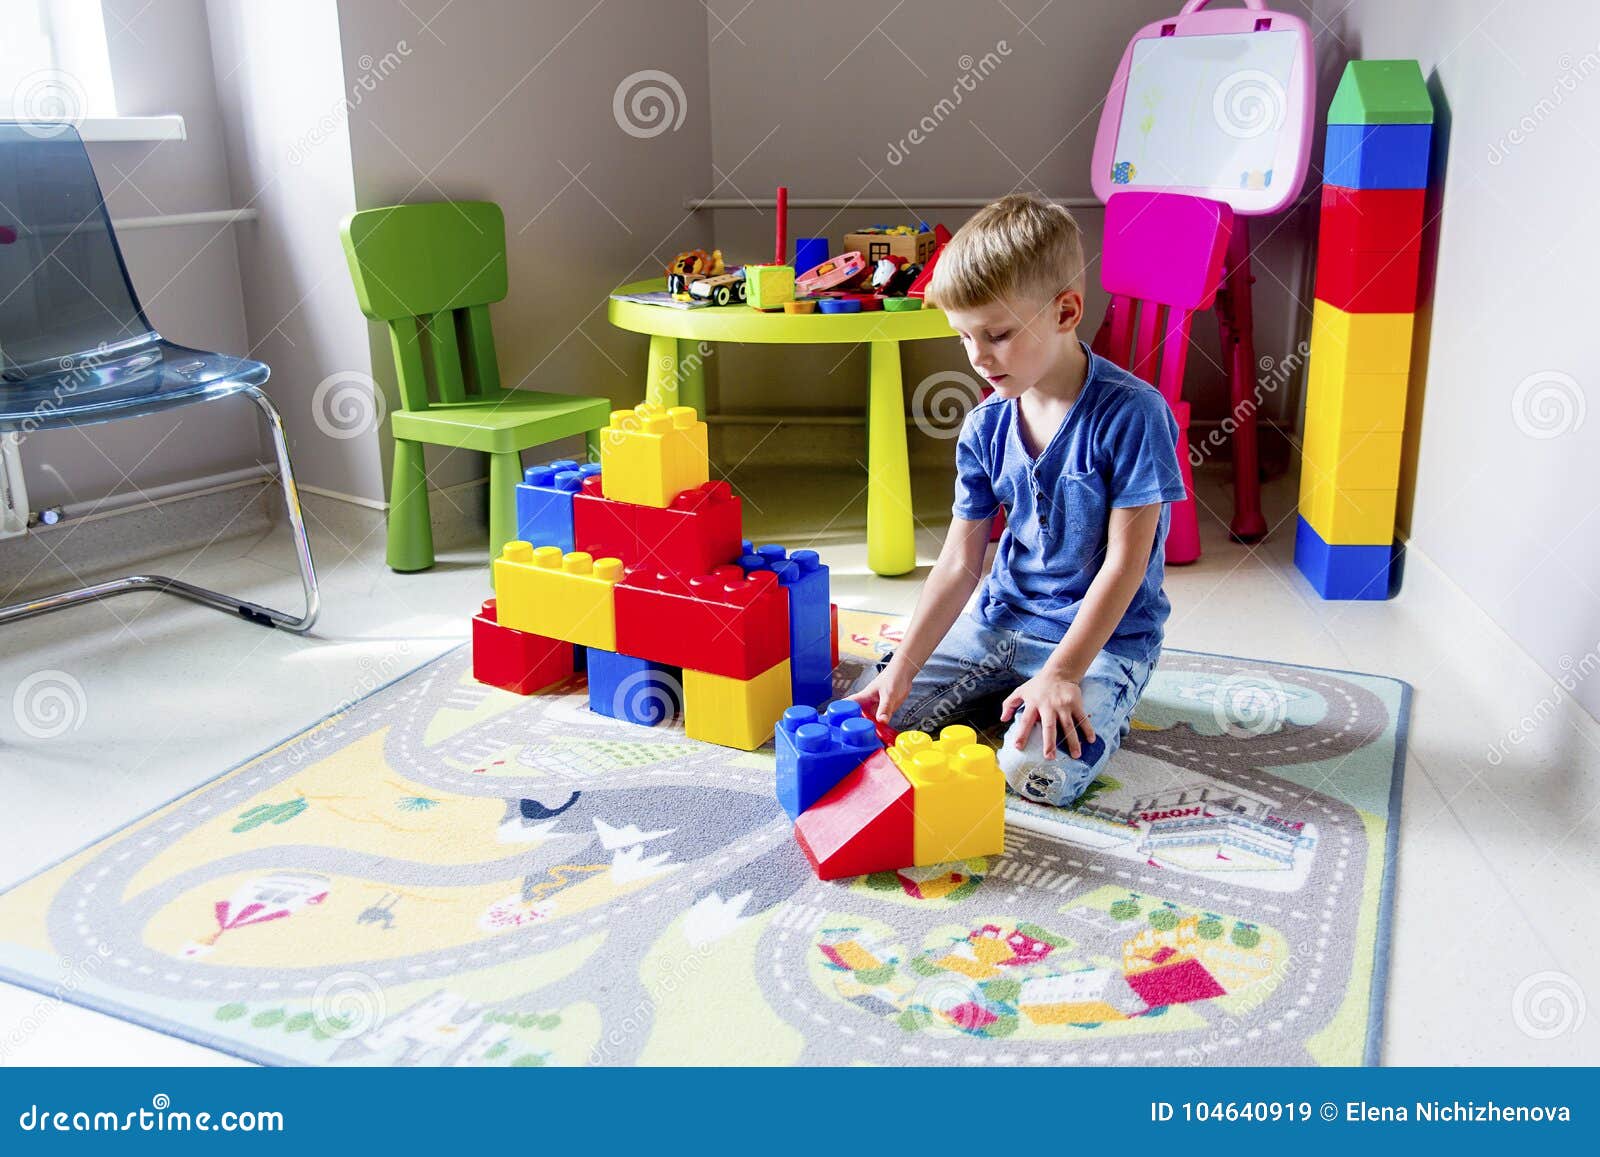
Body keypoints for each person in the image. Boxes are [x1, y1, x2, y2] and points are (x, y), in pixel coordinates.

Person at [848, 193, 1187, 808]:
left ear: (1065, 312)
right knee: (873, 722)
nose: (979, 356)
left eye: (998, 335)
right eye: (964, 339)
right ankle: (1005, 691)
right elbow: (958, 564)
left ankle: (1097, 698)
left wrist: (1062, 671)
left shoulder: (1135, 414)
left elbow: (1126, 564)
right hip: (997, 624)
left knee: (1036, 775)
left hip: (1100, 641)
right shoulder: (984, 426)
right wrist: (900, 669)